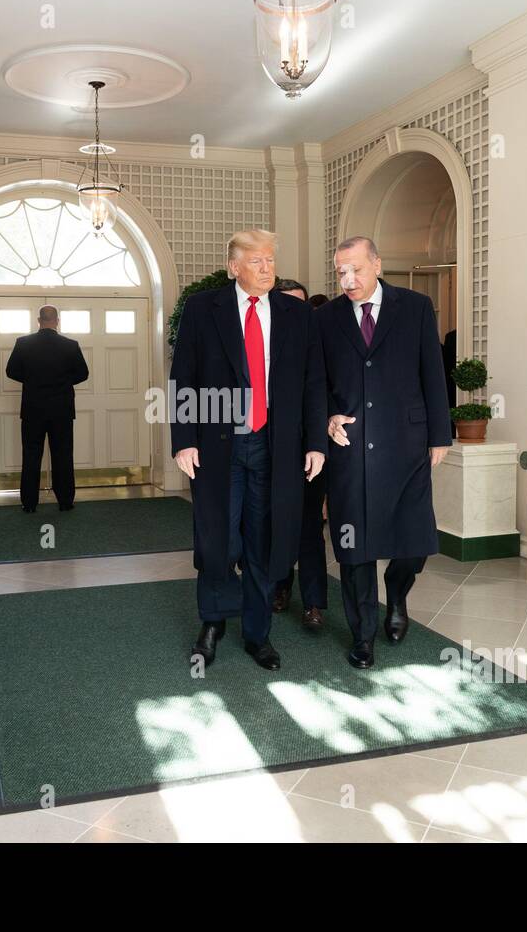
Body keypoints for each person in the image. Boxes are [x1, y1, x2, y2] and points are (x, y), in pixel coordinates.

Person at [169, 232, 326, 670]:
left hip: (275, 446)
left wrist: (315, 443)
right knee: (219, 538)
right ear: (233, 267)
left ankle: (259, 634)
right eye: (256, 261)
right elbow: (183, 376)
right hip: (219, 444)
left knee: (265, 541)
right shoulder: (204, 309)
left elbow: (314, 383)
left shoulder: (297, 314)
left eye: (270, 260)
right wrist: (183, 440)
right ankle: (213, 623)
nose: (265, 268)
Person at [317, 236, 452, 669]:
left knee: (414, 542)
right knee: (354, 548)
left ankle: (397, 594)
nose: (348, 279)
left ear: (377, 263)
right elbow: (312, 381)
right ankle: (363, 636)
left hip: (406, 446)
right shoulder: (324, 318)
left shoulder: (414, 308)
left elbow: (433, 371)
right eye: (340, 272)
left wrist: (440, 435)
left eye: (355, 269)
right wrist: (327, 417)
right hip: (350, 451)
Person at [270, 281, 329, 630]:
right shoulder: (264, 345)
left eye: (301, 305)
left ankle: (313, 603)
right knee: (277, 525)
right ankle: (279, 587)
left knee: (309, 528)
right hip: (273, 452)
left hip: (312, 451)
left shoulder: (315, 340)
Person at [4, 305, 89, 512]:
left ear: (38, 320)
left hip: (33, 407)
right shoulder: (70, 345)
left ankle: (30, 503)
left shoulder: (23, 344)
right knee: (63, 454)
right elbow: (83, 373)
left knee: (31, 454)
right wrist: (62, 382)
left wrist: (32, 380)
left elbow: (11, 371)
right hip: (62, 408)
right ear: (57, 321)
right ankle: (65, 501)